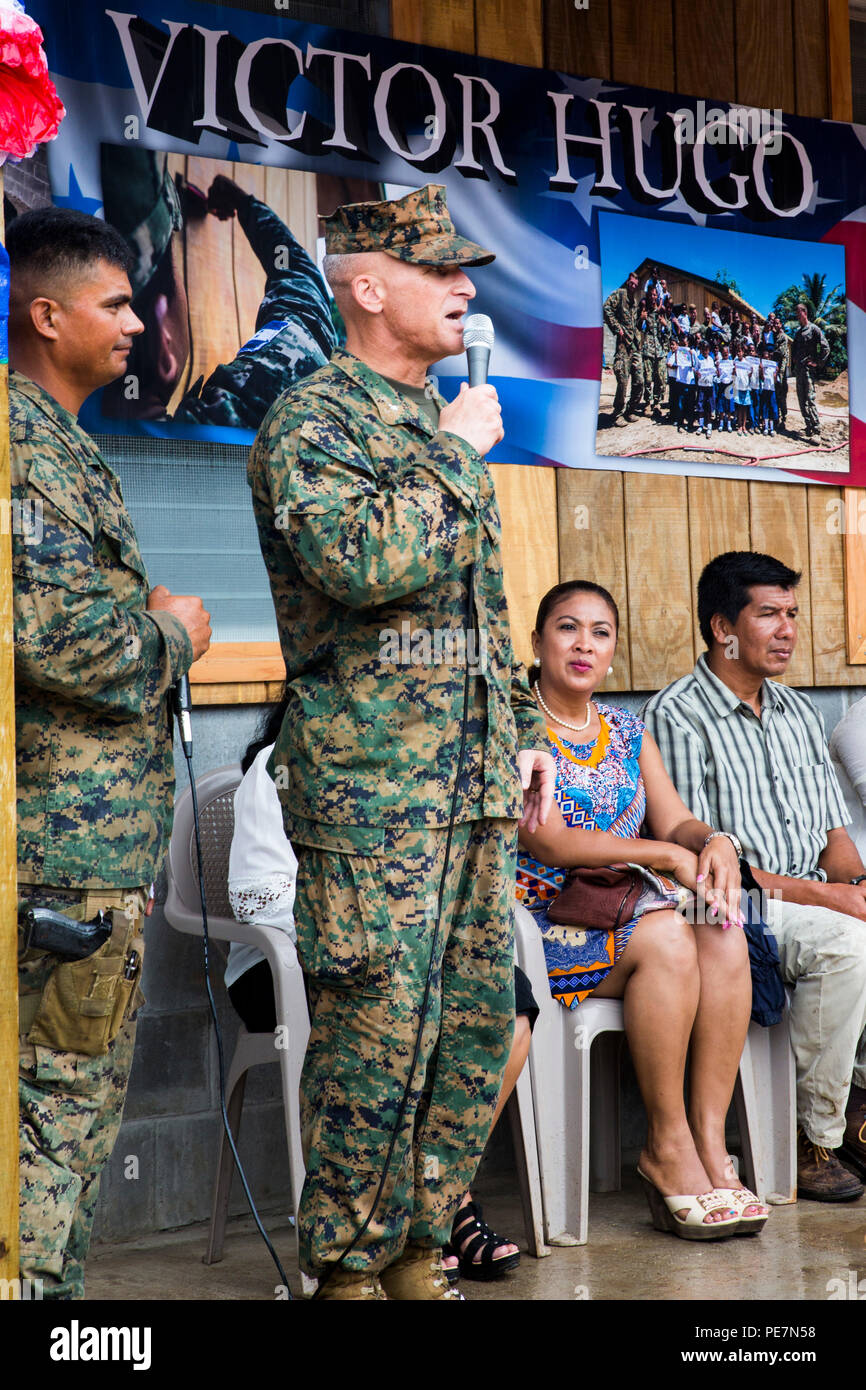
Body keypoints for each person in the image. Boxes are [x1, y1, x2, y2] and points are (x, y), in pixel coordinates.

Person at [247, 182, 555, 1299]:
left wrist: (522, 727)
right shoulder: (311, 419)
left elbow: (481, 605)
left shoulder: (436, 425)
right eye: (442, 272)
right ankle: (344, 1266)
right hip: (371, 795)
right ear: (368, 287)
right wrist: (458, 460)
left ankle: (419, 1246)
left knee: (468, 1033)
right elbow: (360, 566)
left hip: (469, 789)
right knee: (372, 1041)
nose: (467, 290)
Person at [8, 207, 212, 1298]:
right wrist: (174, 631)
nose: (140, 322)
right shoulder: (24, 440)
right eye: (117, 303)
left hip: (90, 850)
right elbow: (57, 638)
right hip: (60, 854)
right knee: (50, 1132)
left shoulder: (60, 440)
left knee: (72, 1132)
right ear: (47, 314)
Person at [226, 698, 537, 1284]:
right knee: (397, 1008)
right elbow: (255, 898)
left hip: (401, 958)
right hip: (288, 965)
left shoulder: (416, 771)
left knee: (503, 1003)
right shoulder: (280, 769)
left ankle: (439, 1199)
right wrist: (373, 926)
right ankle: (386, 1230)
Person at [517, 580, 767, 1240]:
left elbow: (678, 820)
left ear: (613, 650)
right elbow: (547, 838)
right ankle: (665, 1145)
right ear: (537, 641)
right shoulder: (515, 728)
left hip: (633, 913)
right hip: (547, 922)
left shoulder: (627, 730)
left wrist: (712, 842)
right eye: (567, 628)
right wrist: (664, 856)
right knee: (669, 935)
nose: (582, 644)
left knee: (722, 928)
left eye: (599, 632)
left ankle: (712, 1145)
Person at [643, 551, 866, 1199]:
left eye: (792, 614)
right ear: (723, 628)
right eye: (768, 614)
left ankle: (857, 1112)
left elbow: (834, 843)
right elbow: (709, 867)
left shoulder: (799, 711)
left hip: (807, 894)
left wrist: (854, 885)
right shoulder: (678, 714)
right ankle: (809, 1138)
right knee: (844, 943)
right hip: (725, 907)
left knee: (851, 921)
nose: (788, 629)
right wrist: (832, 900)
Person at [100, 148, 338, 429]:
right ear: (164, 348)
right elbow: (301, 285)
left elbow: (302, 289)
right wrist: (244, 204)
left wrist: (243, 204)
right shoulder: (248, 425)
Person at [603, 269, 642, 426]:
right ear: (628, 282)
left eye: (635, 285)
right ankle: (617, 413)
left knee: (639, 381)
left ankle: (630, 410)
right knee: (623, 380)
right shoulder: (619, 294)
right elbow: (606, 308)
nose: (633, 286)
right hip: (622, 346)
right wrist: (617, 328)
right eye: (631, 283)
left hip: (633, 346)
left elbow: (635, 323)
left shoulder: (635, 302)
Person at [791, 301, 829, 443]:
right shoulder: (798, 333)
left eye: (798, 313)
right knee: (801, 400)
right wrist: (794, 360)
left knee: (810, 399)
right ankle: (808, 427)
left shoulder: (814, 329)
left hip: (808, 371)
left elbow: (826, 348)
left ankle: (816, 430)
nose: (797, 316)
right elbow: (794, 349)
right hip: (799, 370)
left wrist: (817, 362)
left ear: (804, 313)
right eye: (796, 314)